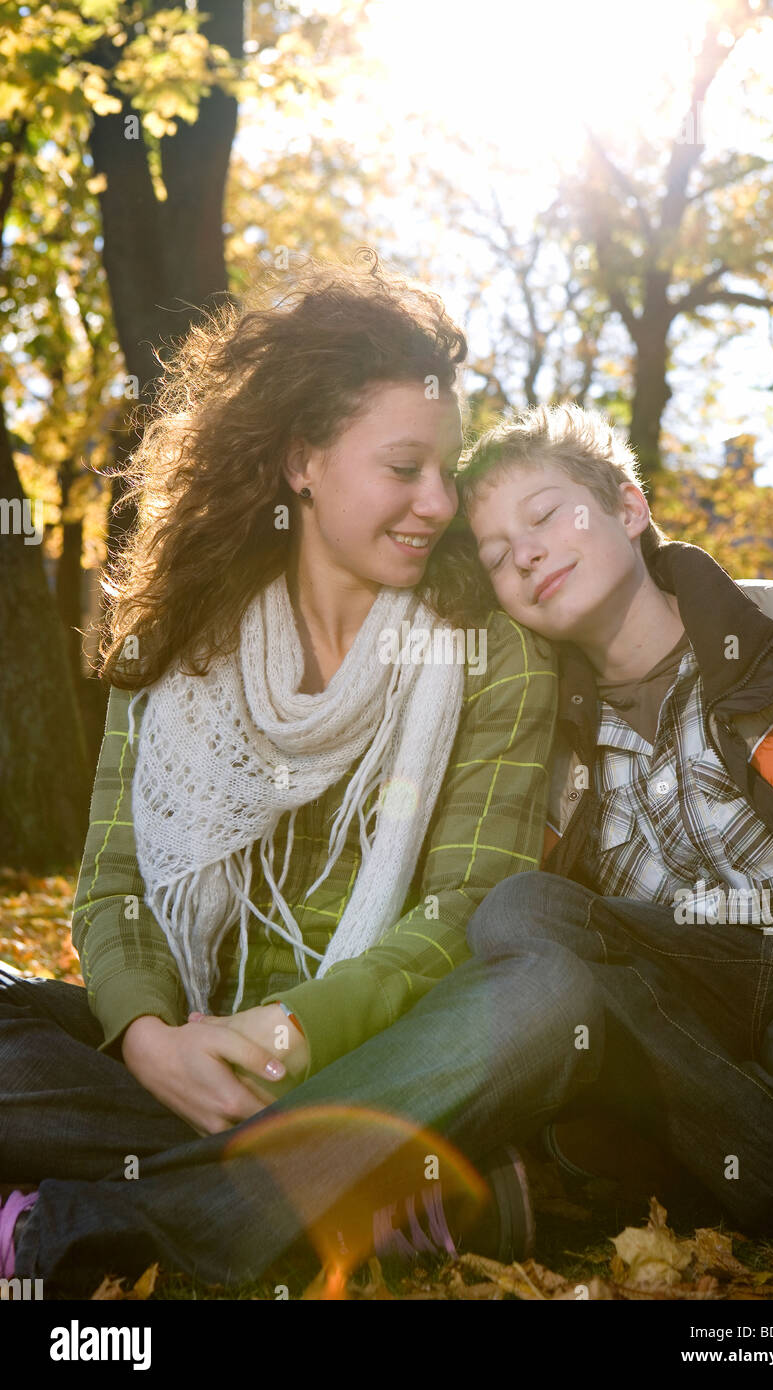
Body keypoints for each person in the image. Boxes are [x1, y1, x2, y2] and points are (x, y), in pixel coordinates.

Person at [0, 253, 576, 1296]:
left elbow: (461, 909)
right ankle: (362, 1188)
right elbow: (114, 881)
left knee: (545, 992)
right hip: (187, 1049)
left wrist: (291, 1034)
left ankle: (113, 1217)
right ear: (302, 458)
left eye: (446, 471)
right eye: (404, 469)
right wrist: (145, 1038)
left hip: (375, 1054)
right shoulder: (182, 635)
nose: (437, 502)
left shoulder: (487, 647)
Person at [456, 399, 773, 1236]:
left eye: (543, 516)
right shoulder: (539, 744)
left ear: (629, 508)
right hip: (676, 1011)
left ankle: (705, 1148)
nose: (525, 552)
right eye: (497, 556)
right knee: (519, 910)